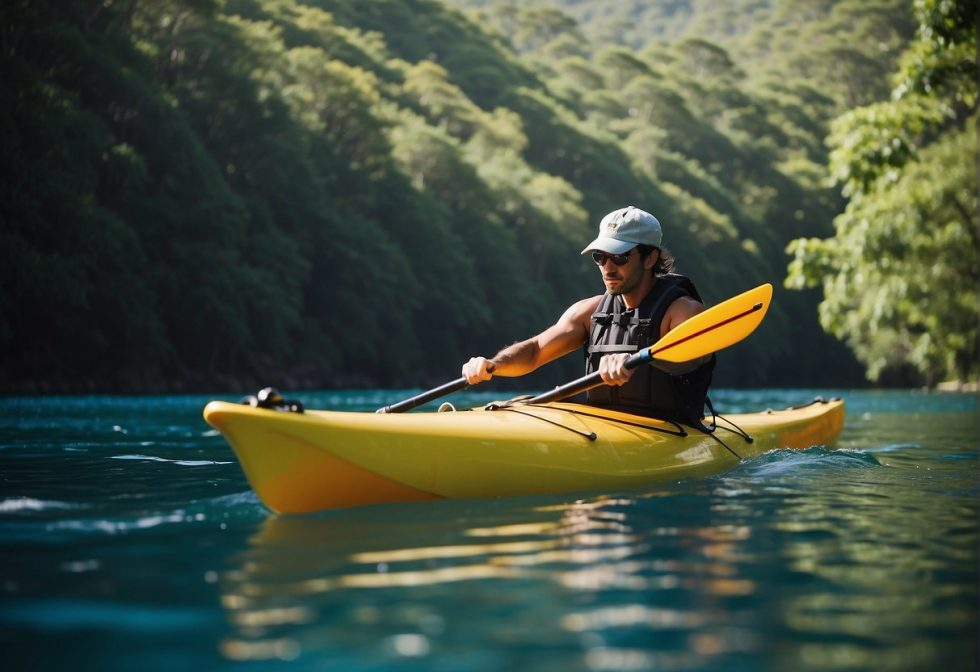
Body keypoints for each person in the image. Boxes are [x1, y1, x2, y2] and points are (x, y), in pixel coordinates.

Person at [462, 205, 715, 425]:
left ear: (650, 258)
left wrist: (635, 361)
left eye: (619, 256)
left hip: (672, 431)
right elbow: (536, 350)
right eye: (600, 257)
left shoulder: (683, 311)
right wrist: (494, 365)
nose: (608, 267)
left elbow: (690, 360)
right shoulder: (589, 312)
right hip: (605, 426)